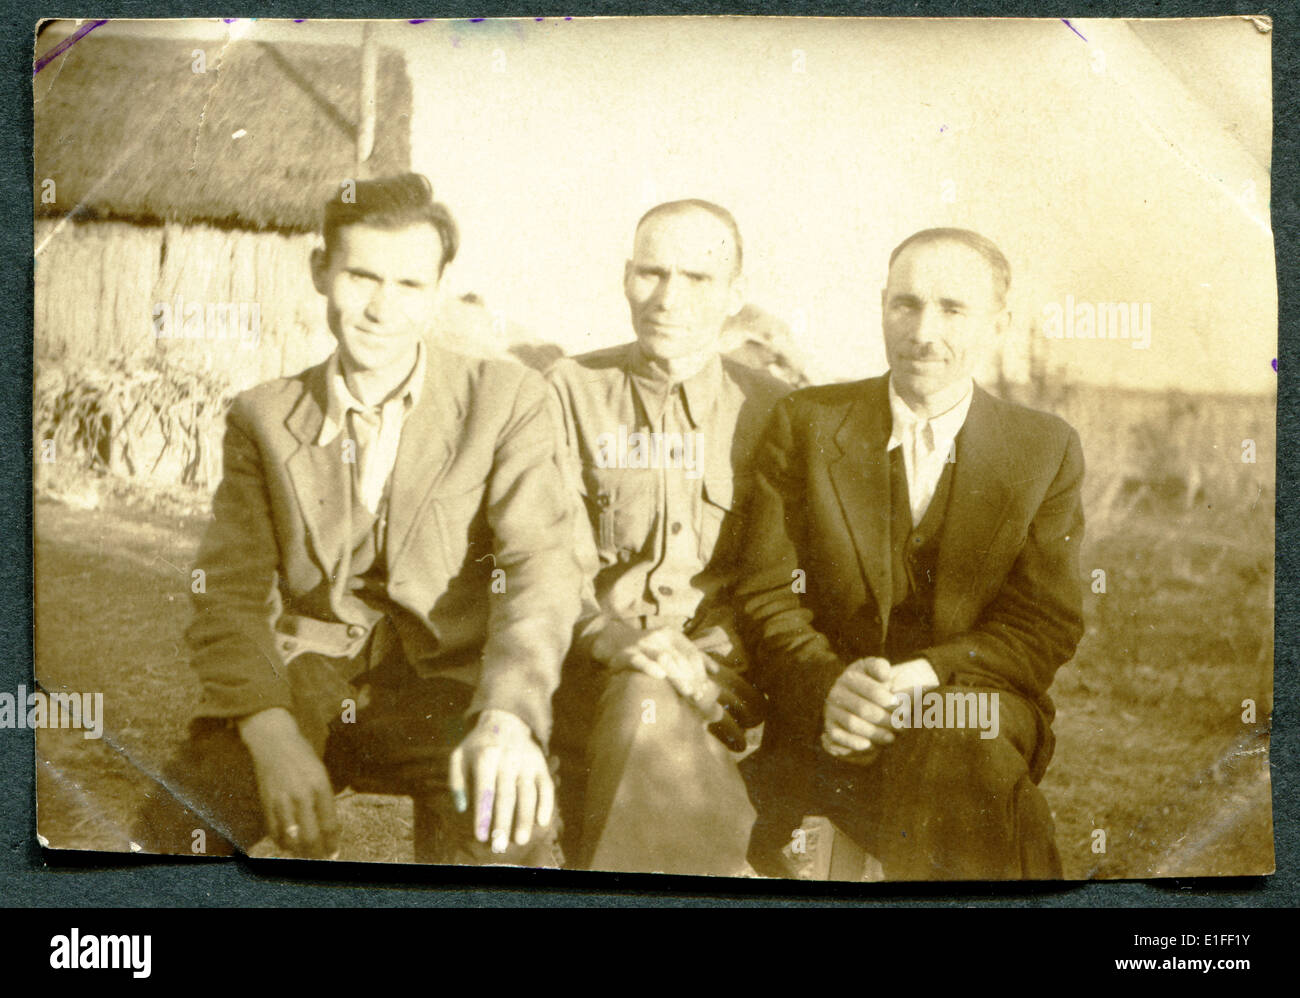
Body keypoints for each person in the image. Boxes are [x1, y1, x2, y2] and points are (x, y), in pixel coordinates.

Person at [134, 173, 581, 865]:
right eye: (361, 277)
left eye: (409, 286)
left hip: (454, 695)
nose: (381, 309)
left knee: (504, 836)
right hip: (306, 684)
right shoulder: (262, 416)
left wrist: (508, 716)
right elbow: (226, 592)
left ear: (437, 290)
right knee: (173, 831)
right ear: (321, 272)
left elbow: (541, 570)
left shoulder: (507, 399)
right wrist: (270, 730)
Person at [736, 228, 1085, 880]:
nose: (924, 330)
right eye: (906, 304)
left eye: (953, 309)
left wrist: (922, 676)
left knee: (959, 739)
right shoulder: (808, 423)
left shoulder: (1043, 448)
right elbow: (766, 591)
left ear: (998, 324)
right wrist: (830, 688)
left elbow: (1044, 623)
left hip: (970, 704)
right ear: (882, 306)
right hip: (825, 715)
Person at [547, 199, 789, 875]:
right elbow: (545, 563)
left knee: (655, 706)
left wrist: (706, 667)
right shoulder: (570, 391)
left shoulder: (775, 412)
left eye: (697, 279)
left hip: (726, 679)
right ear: (626, 276)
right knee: (645, 698)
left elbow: (780, 579)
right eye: (650, 273)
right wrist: (627, 643)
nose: (667, 298)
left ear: (735, 293)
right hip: (594, 668)